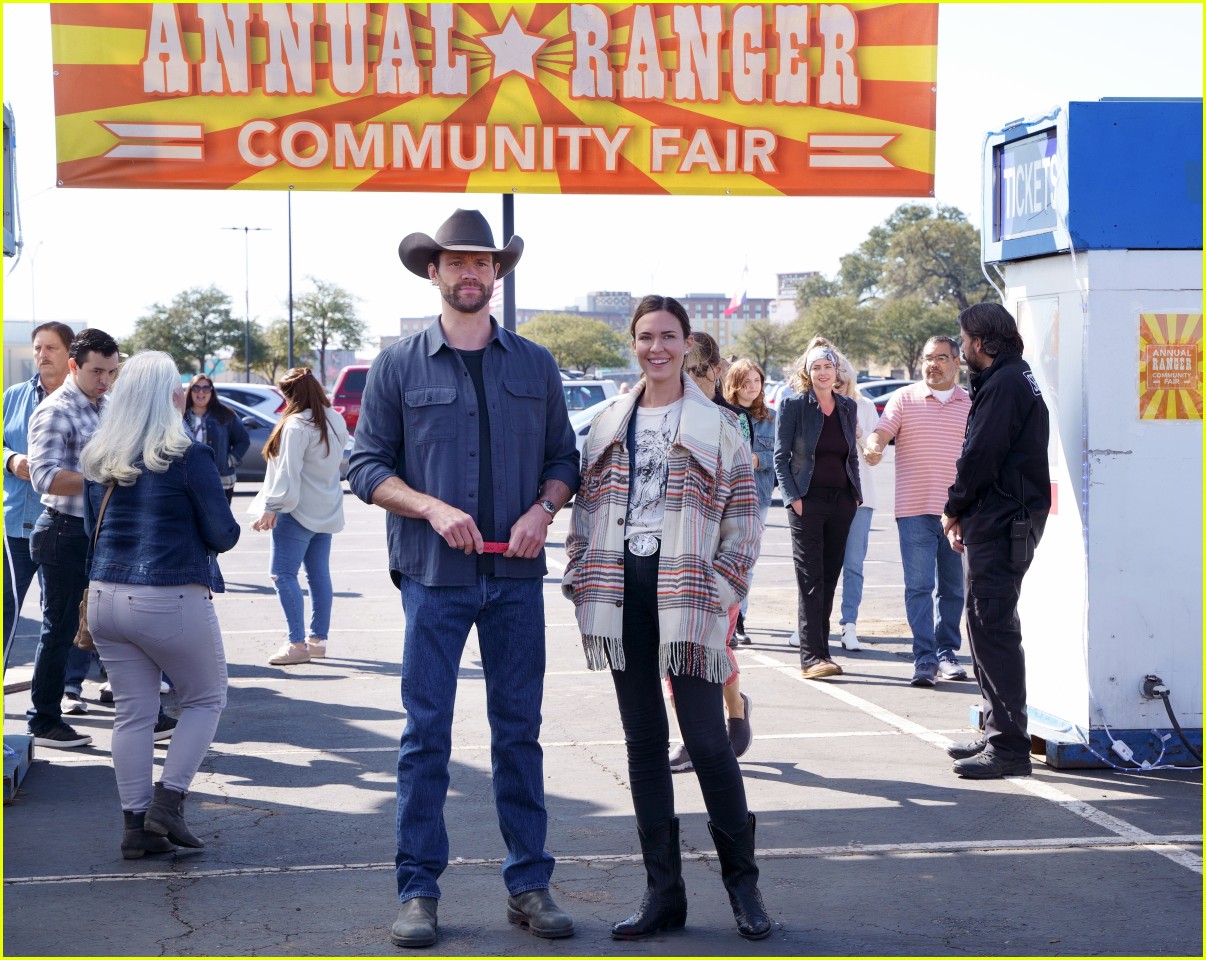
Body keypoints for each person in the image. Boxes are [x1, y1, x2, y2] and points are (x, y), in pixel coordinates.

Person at [347, 209, 580, 949]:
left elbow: (564, 461)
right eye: (456, 263)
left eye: (482, 262)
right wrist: (427, 506)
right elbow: (364, 467)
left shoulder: (535, 364)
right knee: (426, 738)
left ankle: (529, 885)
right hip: (433, 577)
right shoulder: (396, 364)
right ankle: (417, 892)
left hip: (514, 579)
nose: (470, 273)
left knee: (520, 735)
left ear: (498, 274)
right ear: (433, 271)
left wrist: (545, 511)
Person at [564, 295, 771, 942]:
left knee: (708, 742)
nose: (657, 347)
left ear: (688, 344)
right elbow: (583, 509)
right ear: (634, 344)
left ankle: (744, 887)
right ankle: (663, 893)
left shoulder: (718, 427)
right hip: (621, 592)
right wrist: (579, 573)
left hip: (691, 594)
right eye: (646, 336)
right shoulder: (606, 425)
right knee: (644, 744)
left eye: (669, 336)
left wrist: (722, 583)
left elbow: (744, 519)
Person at [80, 351, 240, 858]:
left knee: (132, 714)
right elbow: (223, 533)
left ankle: (135, 828)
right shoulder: (188, 455)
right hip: (168, 595)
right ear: (167, 395)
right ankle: (167, 805)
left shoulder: (101, 457)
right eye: (176, 386)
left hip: (105, 596)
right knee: (204, 699)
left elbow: (92, 531)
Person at [942, 303, 1050, 779]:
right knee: (984, 624)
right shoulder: (1010, 377)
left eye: (964, 339)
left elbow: (981, 454)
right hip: (1001, 516)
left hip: (1003, 519)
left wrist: (954, 505)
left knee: (994, 626)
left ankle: (1009, 747)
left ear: (982, 342)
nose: (960, 347)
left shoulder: (1006, 382)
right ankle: (996, 731)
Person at [24, 328, 121, 748]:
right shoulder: (55, 410)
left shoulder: (105, 403)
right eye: (98, 371)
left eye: (112, 371)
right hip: (63, 532)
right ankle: (43, 719)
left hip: (98, 533)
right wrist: (105, 480)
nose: (105, 379)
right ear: (74, 366)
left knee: (114, 626)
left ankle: (143, 714)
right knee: (60, 629)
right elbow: (43, 477)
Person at [863, 336, 972, 685]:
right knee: (919, 586)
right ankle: (924, 658)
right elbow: (881, 432)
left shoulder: (970, 404)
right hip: (913, 510)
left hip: (957, 514)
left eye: (941, 357)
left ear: (957, 362)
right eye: (928, 358)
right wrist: (874, 447)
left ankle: (946, 653)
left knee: (953, 588)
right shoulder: (904, 398)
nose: (932, 364)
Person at [667, 332, 752, 772]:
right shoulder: (661, 415)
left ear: (717, 372)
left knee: (712, 646)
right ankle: (690, 737)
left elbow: (743, 502)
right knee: (673, 652)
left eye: (701, 372)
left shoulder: (730, 422)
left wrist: (728, 569)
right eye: (687, 372)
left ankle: (736, 713)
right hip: (669, 558)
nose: (694, 381)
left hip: (718, 558)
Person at [774, 340, 863, 680]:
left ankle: (822, 651)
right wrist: (793, 498)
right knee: (811, 579)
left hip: (842, 501)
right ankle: (811, 657)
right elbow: (780, 457)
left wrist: (856, 495)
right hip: (806, 502)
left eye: (828, 366)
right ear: (807, 374)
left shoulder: (846, 406)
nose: (823, 372)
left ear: (836, 370)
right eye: (817, 368)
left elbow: (851, 454)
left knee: (829, 577)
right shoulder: (794, 405)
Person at [251, 367, 348, 666]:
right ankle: (317, 640)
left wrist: (272, 508)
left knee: (283, 574)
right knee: (319, 575)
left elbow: (287, 472)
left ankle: (297, 644)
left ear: (291, 394)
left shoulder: (295, 425)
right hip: (327, 507)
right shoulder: (335, 418)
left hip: (296, 510)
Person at [4, 322, 74, 671]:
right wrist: (10, 459)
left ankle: (66, 689)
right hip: (16, 523)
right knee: (5, 611)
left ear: (70, 353)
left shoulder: (83, 399)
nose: (42, 355)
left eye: (51, 348)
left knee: (60, 613)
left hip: (62, 525)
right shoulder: (12, 396)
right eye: (37, 348)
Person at [723, 357, 776, 644]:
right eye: (747, 381)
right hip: (725, 496)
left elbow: (782, 457)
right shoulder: (724, 414)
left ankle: (739, 619)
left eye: (757, 381)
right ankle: (725, 617)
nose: (752, 386)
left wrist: (758, 460)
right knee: (724, 557)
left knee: (747, 561)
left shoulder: (771, 418)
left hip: (758, 498)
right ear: (735, 383)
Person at [833, 349, 877, 652]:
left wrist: (861, 433)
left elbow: (875, 456)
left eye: (843, 379)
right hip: (826, 496)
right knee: (820, 565)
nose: (839, 384)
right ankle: (812, 624)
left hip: (862, 498)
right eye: (834, 379)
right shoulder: (816, 407)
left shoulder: (865, 406)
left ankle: (849, 625)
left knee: (853, 565)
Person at [183, 373, 251, 505]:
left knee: (219, 524)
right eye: (196, 388)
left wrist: (229, 461)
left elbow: (243, 440)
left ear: (212, 391)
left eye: (206, 388)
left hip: (221, 480)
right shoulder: (180, 415)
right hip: (188, 480)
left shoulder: (226, 414)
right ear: (190, 390)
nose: (201, 392)